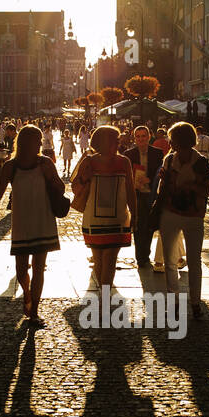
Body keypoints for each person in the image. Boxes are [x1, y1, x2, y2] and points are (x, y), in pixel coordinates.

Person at [0, 123, 62, 327]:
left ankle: (35, 312)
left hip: (43, 220)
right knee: (22, 270)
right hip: (21, 222)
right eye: (38, 141)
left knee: (39, 268)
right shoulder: (10, 166)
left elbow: (58, 185)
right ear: (27, 143)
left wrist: (55, 184)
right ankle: (28, 293)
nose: (41, 144)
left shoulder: (45, 163)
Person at [154, 122, 209, 321]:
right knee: (170, 260)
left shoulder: (201, 162)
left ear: (179, 141)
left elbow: (207, 191)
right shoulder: (168, 160)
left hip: (194, 216)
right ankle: (174, 301)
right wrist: (165, 180)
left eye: (173, 139)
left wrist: (189, 184)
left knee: (194, 261)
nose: (170, 142)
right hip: (170, 213)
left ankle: (195, 302)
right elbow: (162, 189)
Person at [71, 125, 136, 294]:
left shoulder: (124, 162)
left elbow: (130, 190)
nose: (118, 142)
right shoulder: (89, 161)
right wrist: (85, 178)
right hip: (95, 219)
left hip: (118, 219)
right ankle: (103, 294)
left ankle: (104, 298)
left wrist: (135, 214)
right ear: (105, 142)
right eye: (115, 140)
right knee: (100, 261)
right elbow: (75, 188)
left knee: (110, 259)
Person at [125, 125, 165, 268]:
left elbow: (161, 173)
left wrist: (149, 178)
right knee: (137, 226)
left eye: (143, 136)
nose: (141, 139)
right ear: (134, 138)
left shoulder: (157, 153)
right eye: (138, 136)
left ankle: (145, 253)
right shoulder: (129, 154)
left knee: (149, 226)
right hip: (136, 195)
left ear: (149, 137)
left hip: (151, 195)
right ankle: (140, 257)